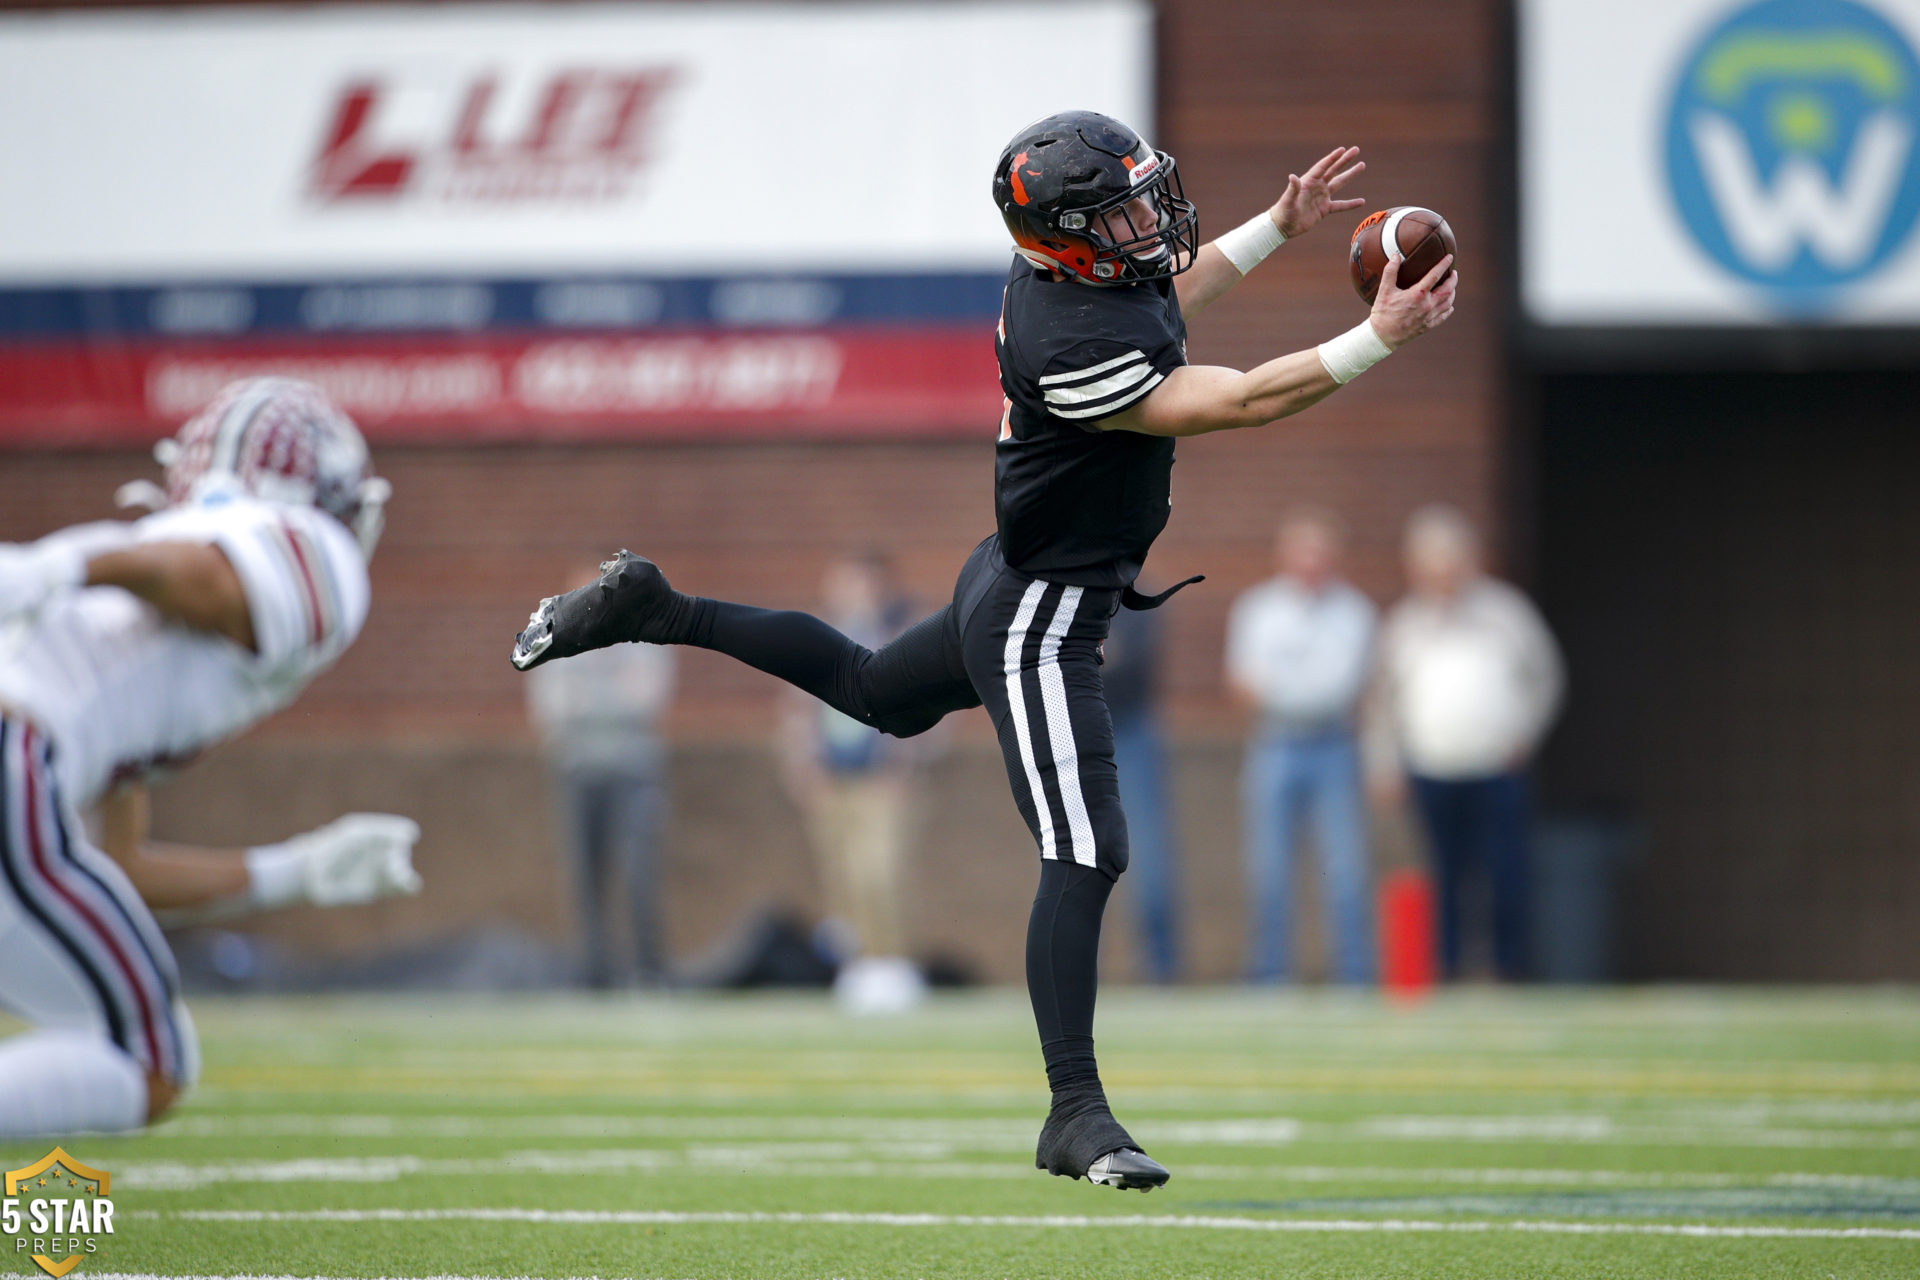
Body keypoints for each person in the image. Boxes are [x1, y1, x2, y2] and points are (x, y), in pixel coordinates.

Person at [511, 110, 1457, 1191]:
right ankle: (1075, 1110)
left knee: (873, 689)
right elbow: (1237, 398)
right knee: (1087, 849)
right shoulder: (1068, 341)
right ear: (1067, 236)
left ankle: (657, 605)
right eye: (1124, 210)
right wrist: (1378, 337)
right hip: (1043, 612)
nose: (1150, 224)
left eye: (1145, 198)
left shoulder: (1080, 281)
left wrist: (1277, 227)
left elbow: (1169, 301)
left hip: (1003, 576)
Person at [0, 377, 422, 1138]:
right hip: (14, 749)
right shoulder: (307, 551)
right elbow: (208, 581)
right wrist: (55, 568)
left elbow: (115, 862)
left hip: (28, 774)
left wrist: (299, 870)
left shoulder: (131, 573)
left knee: (139, 1049)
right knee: (148, 1056)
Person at [1368, 504, 1563, 982]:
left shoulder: (1506, 613)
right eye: (1431, 567)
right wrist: (1382, 763)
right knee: (1444, 875)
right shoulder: (1404, 624)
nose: (1443, 576)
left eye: (1450, 563)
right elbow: (1383, 702)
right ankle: (1448, 968)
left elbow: (1547, 679)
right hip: (1430, 766)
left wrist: (1524, 737)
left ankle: (1507, 968)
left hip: (1495, 764)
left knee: (1506, 873)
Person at [1226, 510, 1377, 984]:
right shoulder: (1257, 609)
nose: (1311, 562)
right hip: (1275, 741)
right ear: (1283, 557)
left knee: (1346, 867)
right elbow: (1244, 685)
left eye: (1320, 552)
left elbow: (1348, 685)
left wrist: (1288, 687)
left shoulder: (1355, 612)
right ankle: (1269, 974)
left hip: (1334, 743)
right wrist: (1298, 691)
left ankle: (1355, 976)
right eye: (1302, 552)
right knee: (1268, 866)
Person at [778, 553, 927, 1014]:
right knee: (841, 877)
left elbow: (923, 706)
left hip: (877, 779)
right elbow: (798, 708)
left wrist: (902, 765)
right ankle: (859, 964)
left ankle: (891, 960)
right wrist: (802, 764)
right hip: (832, 778)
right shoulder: (819, 639)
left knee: (876, 872)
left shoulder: (897, 639)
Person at [527, 589, 675, 988]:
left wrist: (589, 695)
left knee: (638, 872)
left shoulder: (644, 640)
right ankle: (594, 975)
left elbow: (645, 701)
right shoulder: (554, 641)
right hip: (578, 773)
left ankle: (648, 969)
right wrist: (612, 691)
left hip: (632, 773)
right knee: (584, 877)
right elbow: (553, 707)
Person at [1102, 605, 1181, 983]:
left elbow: (1128, 665)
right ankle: (1073, 970)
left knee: (1148, 855)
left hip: (1130, 730)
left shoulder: (1135, 596)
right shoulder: (1058, 590)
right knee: (1069, 857)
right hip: (1075, 728)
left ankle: (1161, 970)